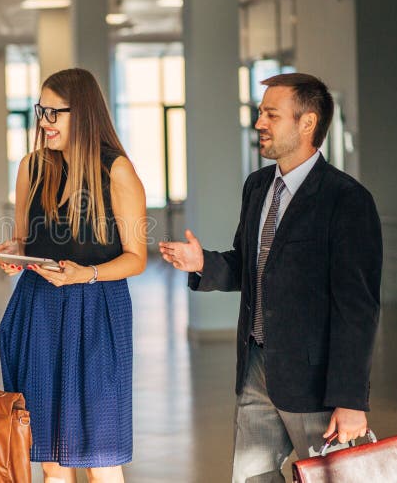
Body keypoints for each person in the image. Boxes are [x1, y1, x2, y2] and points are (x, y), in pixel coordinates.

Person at [159, 73, 382, 482]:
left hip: (315, 383)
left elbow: (358, 309)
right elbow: (250, 264)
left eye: (271, 114)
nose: (260, 123)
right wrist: (203, 263)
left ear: (307, 123)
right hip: (256, 369)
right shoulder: (259, 186)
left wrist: (350, 400)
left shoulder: (347, 200)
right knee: (251, 477)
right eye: (260, 113)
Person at [0, 68, 147, 483]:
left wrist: (88, 274)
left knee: (100, 457)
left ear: (82, 114)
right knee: (51, 460)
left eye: (53, 113)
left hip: (97, 312)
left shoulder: (117, 172)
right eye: (40, 111)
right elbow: (23, 240)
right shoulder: (32, 167)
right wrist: (14, 254)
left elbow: (136, 258)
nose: (43, 122)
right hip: (39, 311)